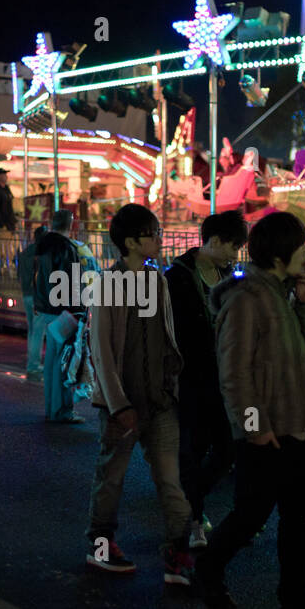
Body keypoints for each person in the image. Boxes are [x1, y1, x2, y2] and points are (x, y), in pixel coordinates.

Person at [195, 211, 305, 609]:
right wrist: (254, 428)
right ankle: (207, 568)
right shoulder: (246, 298)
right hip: (265, 436)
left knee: (296, 525)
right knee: (249, 516)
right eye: (300, 247)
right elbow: (233, 373)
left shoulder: (289, 294)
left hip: (301, 430)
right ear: (279, 252)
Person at [86, 204, 194, 584]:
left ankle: (179, 553)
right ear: (130, 241)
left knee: (170, 479)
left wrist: (171, 387)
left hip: (159, 399)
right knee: (112, 476)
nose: (159, 238)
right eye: (152, 233)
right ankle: (100, 545)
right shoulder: (107, 285)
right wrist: (119, 404)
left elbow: (166, 338)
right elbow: (101, 351)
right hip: (123, 403)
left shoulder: (158, 282)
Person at [165, 209, 248, 548]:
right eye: (232, 246)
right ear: (213, 240)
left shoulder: (230, 277)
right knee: (193, 451)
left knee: (229, 448)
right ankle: (195, 518)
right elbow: (173, 332)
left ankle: (193, 503)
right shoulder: (178, 277)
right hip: (192, 378)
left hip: (227, 378)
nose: (235, 254)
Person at [32, 208, 99, 423]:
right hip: (64, 310)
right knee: (65, 361)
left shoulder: (42, 245)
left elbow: (36, 277)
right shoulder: (67, 248)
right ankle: (62, 410)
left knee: (52, 361)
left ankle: (51, 408)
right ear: (70, 224)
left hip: (46, 309)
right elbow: (72, 280)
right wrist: (77, 307)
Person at [17, 226, 49, 379]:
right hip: (37, 296)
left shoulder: (25, 253)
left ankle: (32, 362)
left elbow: (20, 275)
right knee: (38, 332)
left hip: (26, 294)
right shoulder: (43, 254)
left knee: (32, 330)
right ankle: (33, 365)